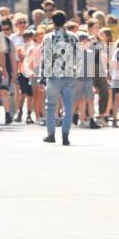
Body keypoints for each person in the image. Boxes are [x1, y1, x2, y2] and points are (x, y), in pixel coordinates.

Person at [40, 11, 79, 145]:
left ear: (53, 21)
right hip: (69, 74)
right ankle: (65, 135)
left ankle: (51, 134)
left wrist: (42, 76)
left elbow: (45, 58)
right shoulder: (73, 37)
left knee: (51, 106)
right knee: (68, 107)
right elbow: (78, 56)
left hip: (53, 75)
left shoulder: (48, 38)